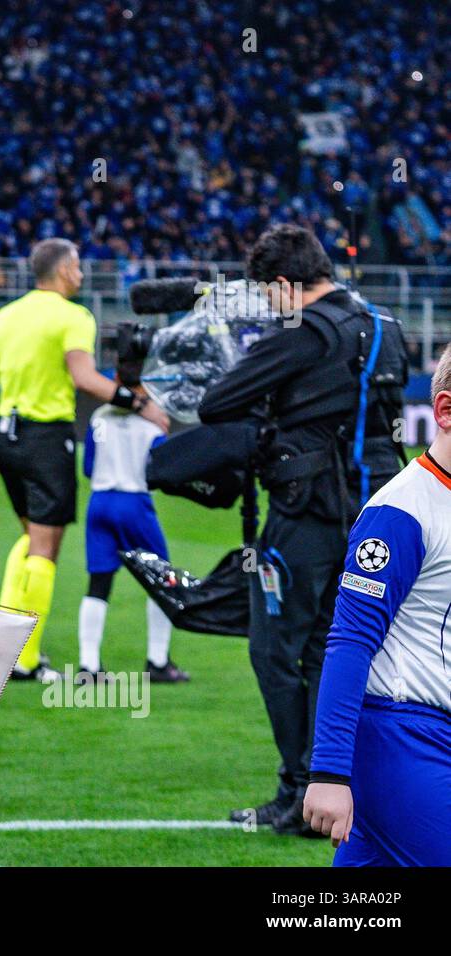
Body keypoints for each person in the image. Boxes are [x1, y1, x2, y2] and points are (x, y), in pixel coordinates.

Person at [199, 224, 408, 836]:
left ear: (288, 285)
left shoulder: (306, 333)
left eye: (269, 294)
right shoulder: (386, 326)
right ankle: (331, 787)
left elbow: (218, 402)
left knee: (272, 650)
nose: (268, 305)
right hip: (377, 515)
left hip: (306, 516)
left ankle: (297, 791)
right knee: (333, 650)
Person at [0, 238, 170, 683]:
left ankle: (4, 642)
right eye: (78, 265)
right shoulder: (73, 316)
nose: (81, 273)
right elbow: (84, 378)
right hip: (47, 437)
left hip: (7, 433)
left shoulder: (5, 316)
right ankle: (25, 660)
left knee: (27, 537)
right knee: (46, 548)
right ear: (63, 271)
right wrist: (141, 406)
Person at [303, 346, 451, 864]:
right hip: (402, 735)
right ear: (445, 412)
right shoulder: (401, 511)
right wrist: (328, 772)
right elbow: (350, 640)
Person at [78, 347, 188, 683]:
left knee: (99, 583)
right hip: (135, 504)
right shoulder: (153, 423)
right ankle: (157, 662)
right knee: (161, 580)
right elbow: (161, 473)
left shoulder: (100, 416)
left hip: (99, 502)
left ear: (116, 379)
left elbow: (87, 468)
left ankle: (89, 666)